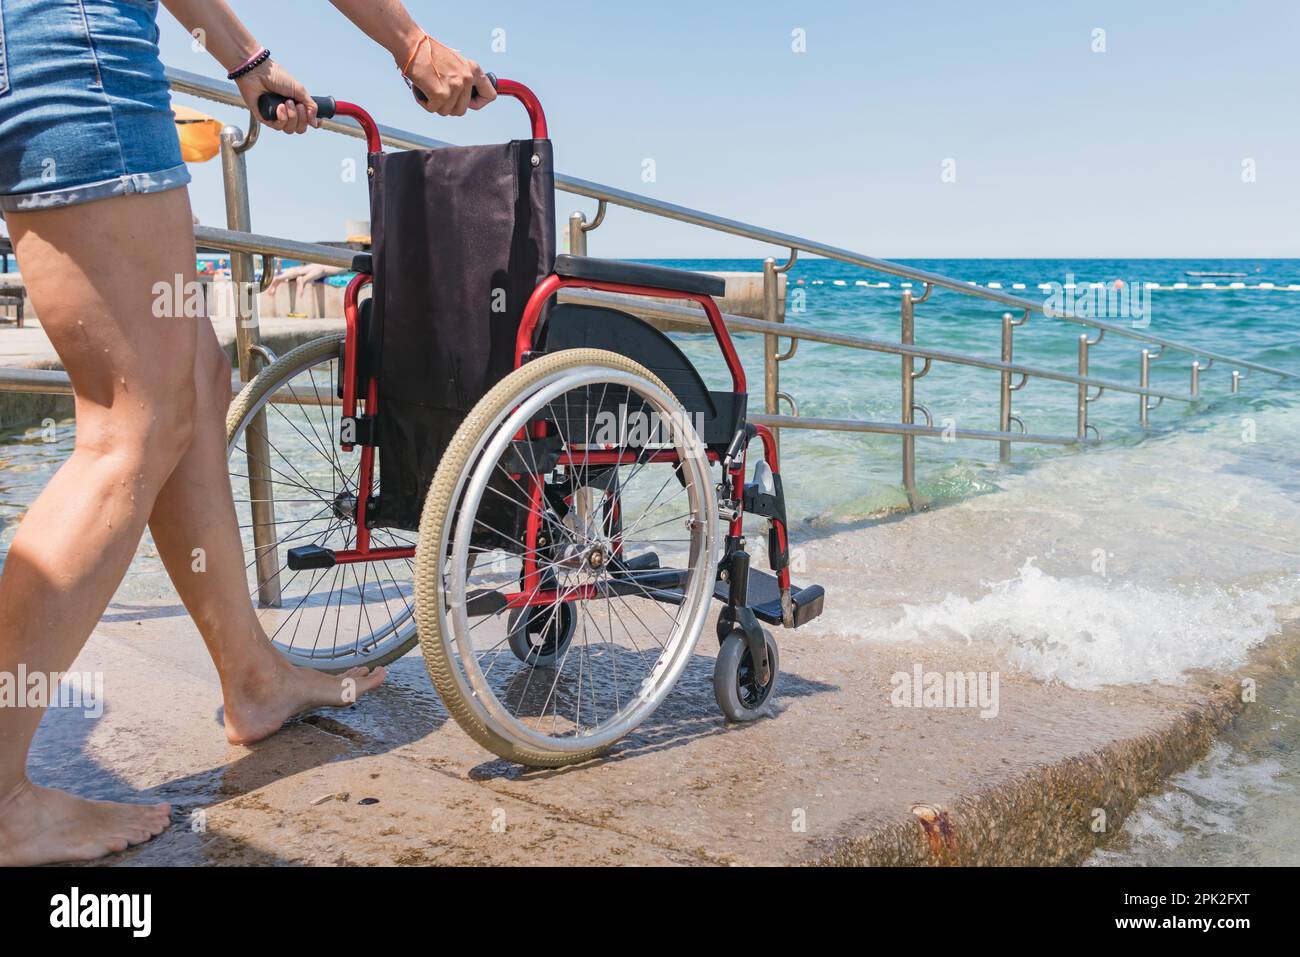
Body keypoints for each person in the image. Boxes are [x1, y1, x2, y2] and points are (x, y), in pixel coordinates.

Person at [0, 0, 495, 866]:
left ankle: (252, 675)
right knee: (128, 425)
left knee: (195, 375)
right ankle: (4, 797)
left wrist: (243, 59)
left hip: (56, 44)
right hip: (74, 47)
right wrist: (411, 43)